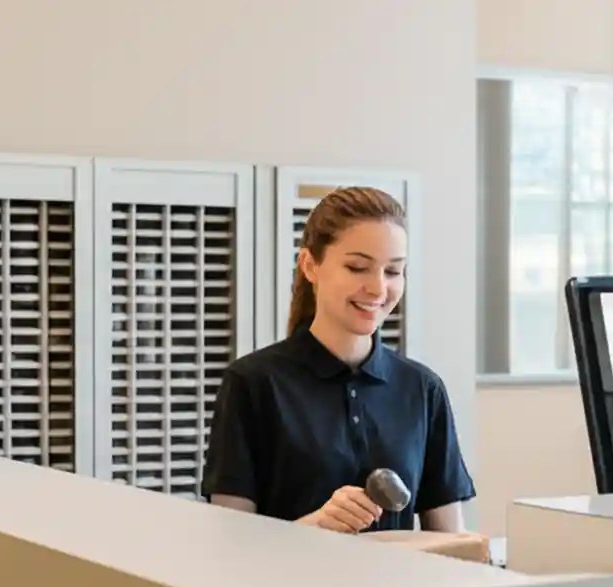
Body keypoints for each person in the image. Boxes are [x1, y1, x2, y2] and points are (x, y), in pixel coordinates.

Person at [202, 186, 475, 534]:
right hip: (291, 572)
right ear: (310, 265)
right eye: (357, 267)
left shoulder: (423, 389)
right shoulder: (252, 383)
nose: (378, 288)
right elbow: (231, 544)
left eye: (393, 271)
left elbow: (452, 543)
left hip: (400, 573)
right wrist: (314, 527)